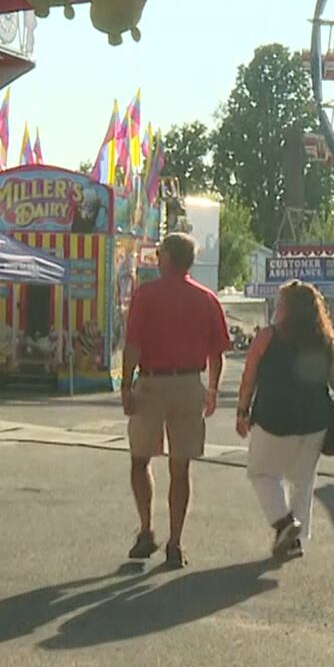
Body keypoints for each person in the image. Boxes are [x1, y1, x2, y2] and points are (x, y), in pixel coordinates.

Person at [120, 233, 230, 569]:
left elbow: (133, 344)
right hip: (188, 384)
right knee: (180, 467)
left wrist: (126, 385)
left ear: (167, 257)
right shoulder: (207, 299)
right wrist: (211, 390)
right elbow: (217, 353)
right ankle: (176, 542)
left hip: (152, 383)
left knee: (140, 459)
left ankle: (146, 530)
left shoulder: (146, 295)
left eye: (160, 252)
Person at [235, 280, 334, 560]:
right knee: (302, 481)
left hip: (273, 418)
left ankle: (285, 523)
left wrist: (242, 411)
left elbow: (249, 376)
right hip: (316, 422)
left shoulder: (268, 337)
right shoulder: (327, 343)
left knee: (261, 473)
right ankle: (295, 540)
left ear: (286, 309)